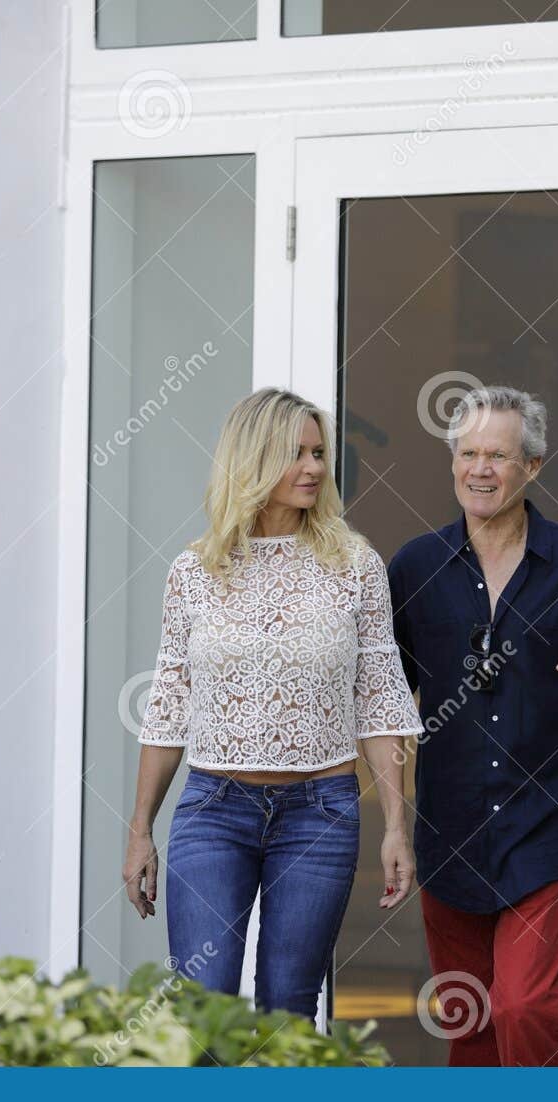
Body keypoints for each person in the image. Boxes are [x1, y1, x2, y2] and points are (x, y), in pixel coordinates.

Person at [124, 387, 423, 1021]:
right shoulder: (195, 571)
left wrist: (397, 825)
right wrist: (139, 831)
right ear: (252, 460)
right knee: (202, 1010)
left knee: (286, 1013)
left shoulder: (356, 566)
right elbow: (170, 706)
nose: (315, 467)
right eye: (296, 453)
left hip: (320, 814)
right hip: (213, 810)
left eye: (319, 453)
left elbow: (382, 703)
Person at [387, 383, 558, 1066]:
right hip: (449, 830)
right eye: (468, 453)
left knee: (524, 1003)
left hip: (545, 827)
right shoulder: (413, 567)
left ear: (534, 465)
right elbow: (383, 696)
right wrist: (390, 824)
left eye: (498, 454)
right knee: (468, 1016)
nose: (480, 469)